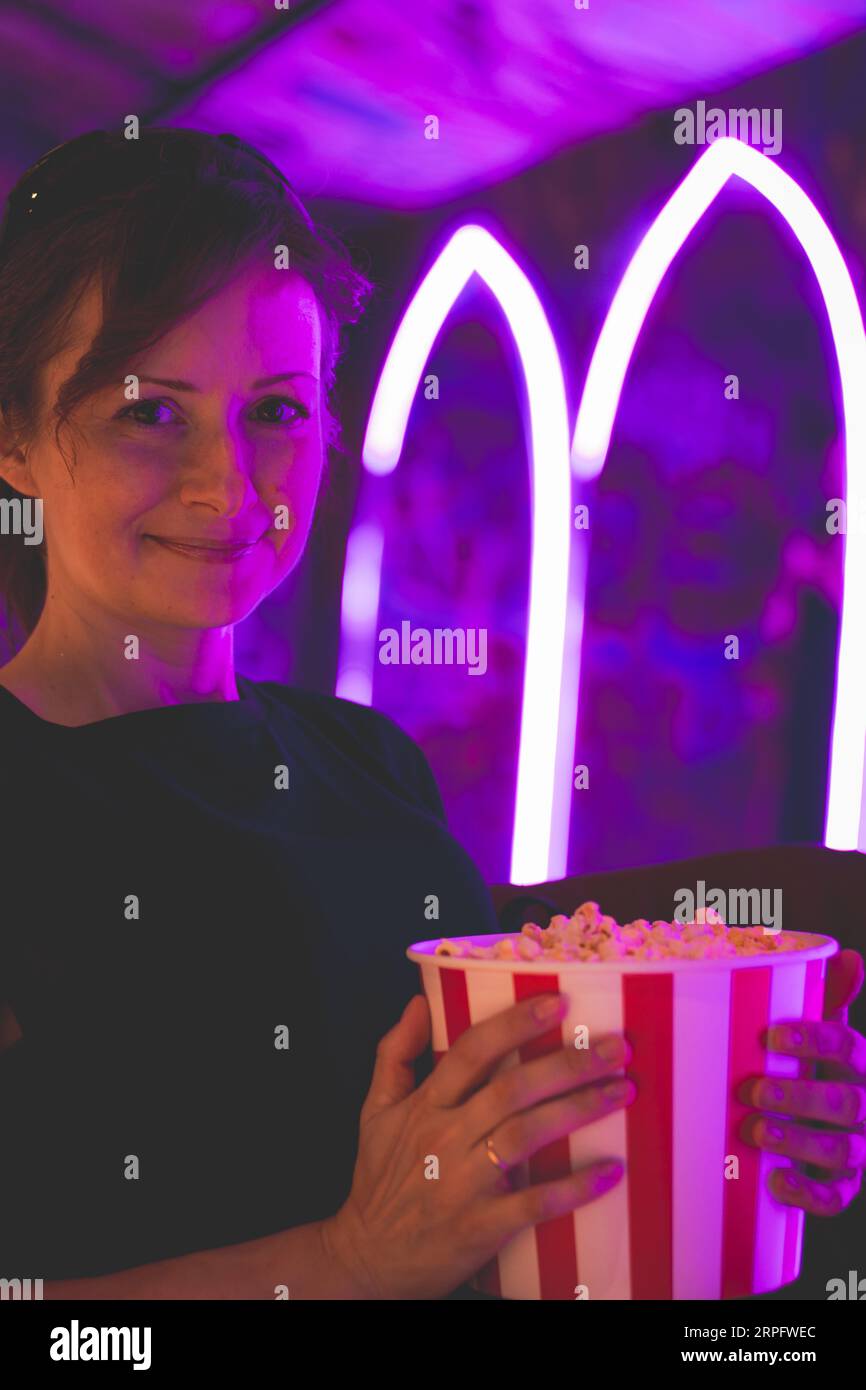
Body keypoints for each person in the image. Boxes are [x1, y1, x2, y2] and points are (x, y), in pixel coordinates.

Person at [1, 128, 863, 1301]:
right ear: (13, 441)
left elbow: (508, 1148)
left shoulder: (366, 763)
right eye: (148, 414)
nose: (231, 488)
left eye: (278, 410)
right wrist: (345, 1263)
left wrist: (742, 1123)